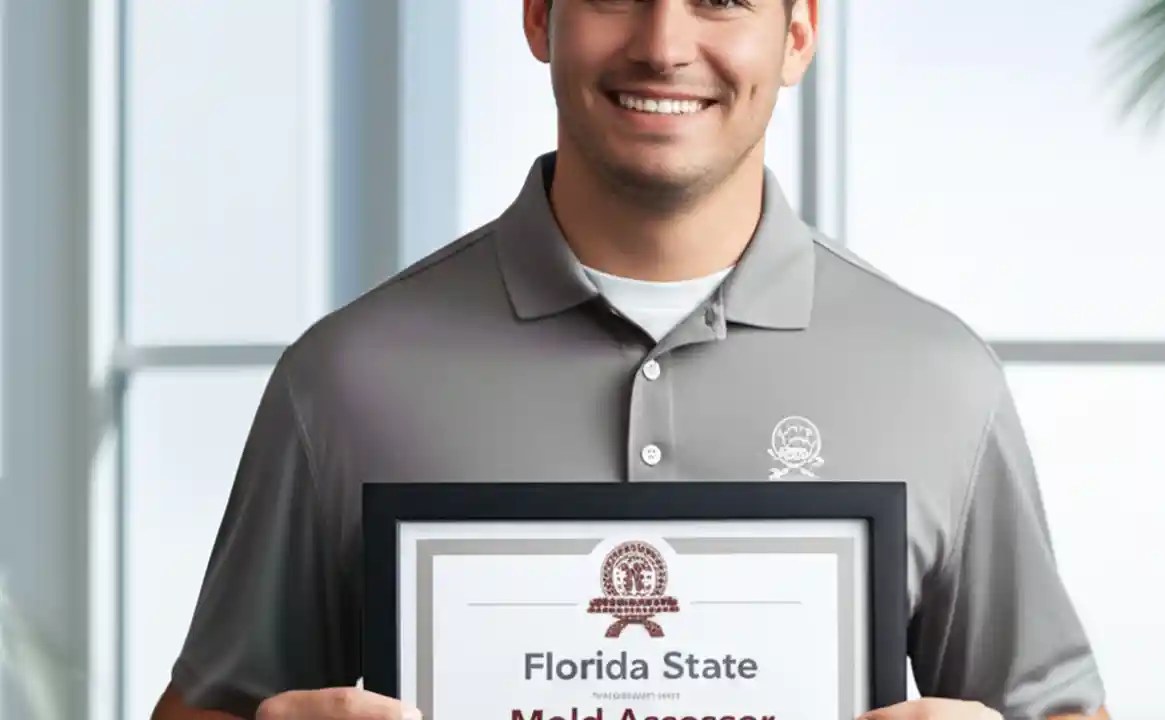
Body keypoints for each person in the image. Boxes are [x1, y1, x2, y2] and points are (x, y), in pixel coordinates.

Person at [152, 1, 1112, 719]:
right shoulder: (346, 377)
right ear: (540, 17)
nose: (662, 44)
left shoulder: (939, 381)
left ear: (798, 34)